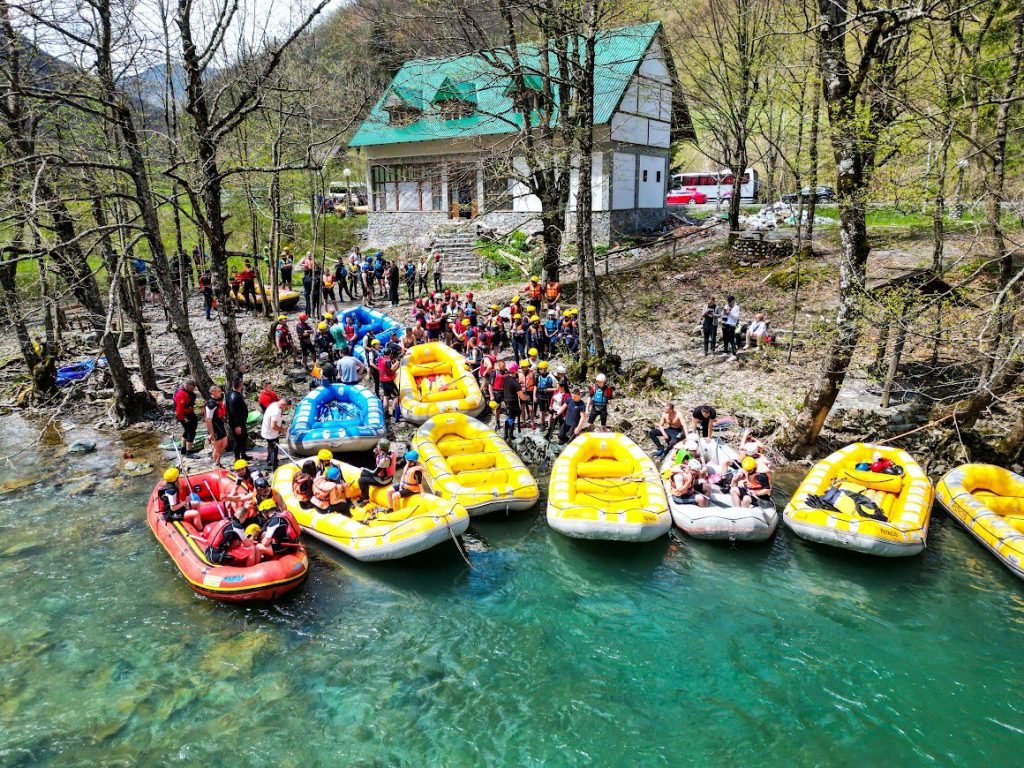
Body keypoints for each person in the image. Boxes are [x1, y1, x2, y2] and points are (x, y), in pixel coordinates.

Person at [358, 438, 396, 503]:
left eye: (378, 445)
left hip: (384, 480)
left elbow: (374, 473)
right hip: (384, 477)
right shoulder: (391, 453)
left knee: (361, 481)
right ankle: (364, 494)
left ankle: (366, 500)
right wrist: (377, 454)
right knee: (363, 474)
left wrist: (364, 469)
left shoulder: (385, 460)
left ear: (380, 447)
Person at [260, 396, 290, 472]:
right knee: (274, 449)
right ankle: (274, 467)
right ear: (283, 405)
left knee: (270, 446)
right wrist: (282, 430)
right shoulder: (276, 411)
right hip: (270, 433)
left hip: (267, 431)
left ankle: (269, 460)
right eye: (286, 408)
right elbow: (273, 426)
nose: (286, 410)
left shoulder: (274, 404)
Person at [226, 375, 250, 462]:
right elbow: (232, 413)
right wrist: (236, 425)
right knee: (238, 440)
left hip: (241, 422)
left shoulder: (235, 394)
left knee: (244, 437)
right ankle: (237, 458)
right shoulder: (233, 396)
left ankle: (243, 455)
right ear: (241, 385)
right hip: (237, 423)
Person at [204, 385, 229, 467]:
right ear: (212, 393)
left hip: (220, 426)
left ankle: (218, 461)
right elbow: (208, 420)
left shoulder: (218, 401)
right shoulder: (210, 405)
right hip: (215, 428)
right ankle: (216, 464)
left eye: (220, 391)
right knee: (217, 447)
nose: (220, 393)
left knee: (225, 444)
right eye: (218, 391)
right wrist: (211, 433)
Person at [173, 380, 198, 454]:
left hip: (189, 413)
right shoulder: (181, 394)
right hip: (184, 415)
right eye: (192, 388)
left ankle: (183, 450)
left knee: (187, 430)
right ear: (187, 385)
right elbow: (179, 408)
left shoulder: (187, 391)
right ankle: (189, 452)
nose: (193, 390)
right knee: (191, 432)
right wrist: (183, 418)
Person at [502, 362, 523, 441]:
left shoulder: (506, 378)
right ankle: (510, 435)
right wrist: (526, 398)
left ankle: (505, 434)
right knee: (511, 418)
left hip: (506, 400)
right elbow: (521, 395)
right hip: (513, 402)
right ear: (515, 371)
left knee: (508, 417)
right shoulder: (515, 383)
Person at [378, 347, 399, 416]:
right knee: (397, 396)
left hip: (383, 380)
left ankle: (386, 413)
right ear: (390, 354)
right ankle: (394, 411)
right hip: (389, 381)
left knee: (386, 396)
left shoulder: (380, 359)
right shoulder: (387, 361)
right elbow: (392, 368)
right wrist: (398, 361)